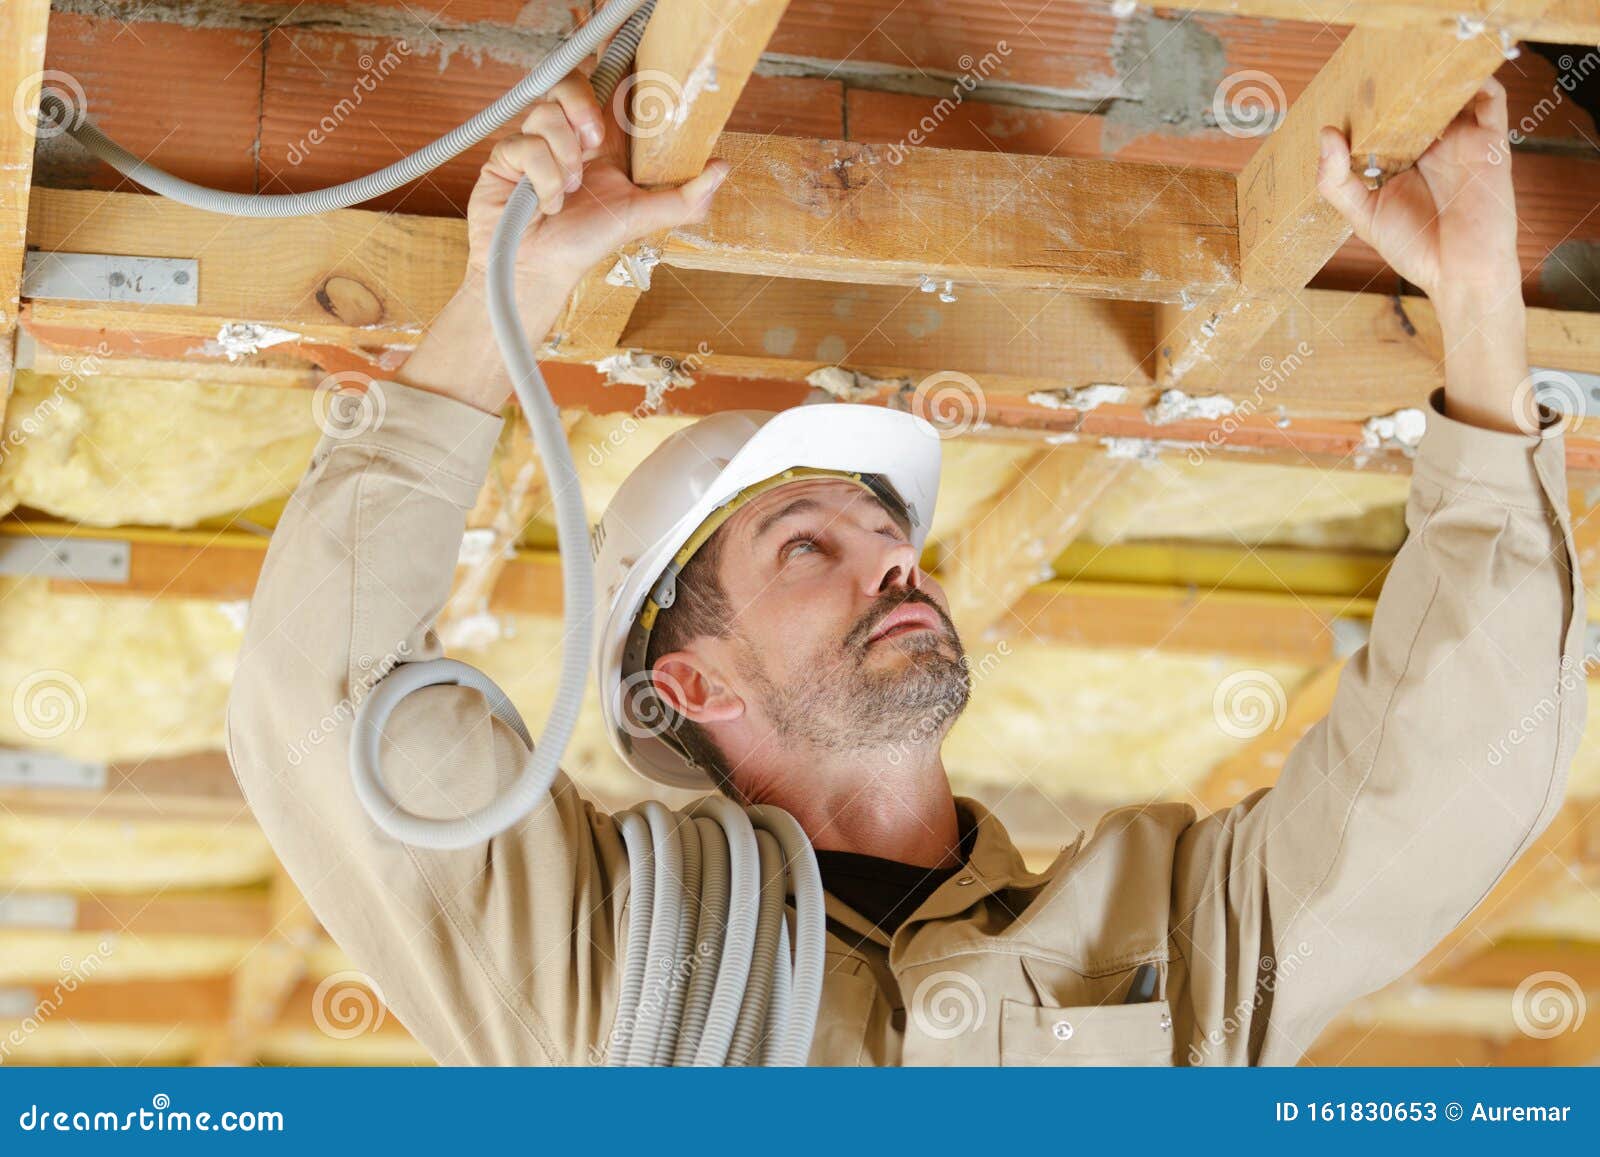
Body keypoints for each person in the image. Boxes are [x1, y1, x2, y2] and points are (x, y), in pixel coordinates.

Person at [226, 74, 1583, 1065]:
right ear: (690, 682)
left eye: (891, 537)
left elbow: (1442, 777)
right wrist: (505, 305)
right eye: (808, 544)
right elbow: (322, 701)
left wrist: (1476, 313)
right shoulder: (601, 954)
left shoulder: (1163, 925)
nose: (895, 565)